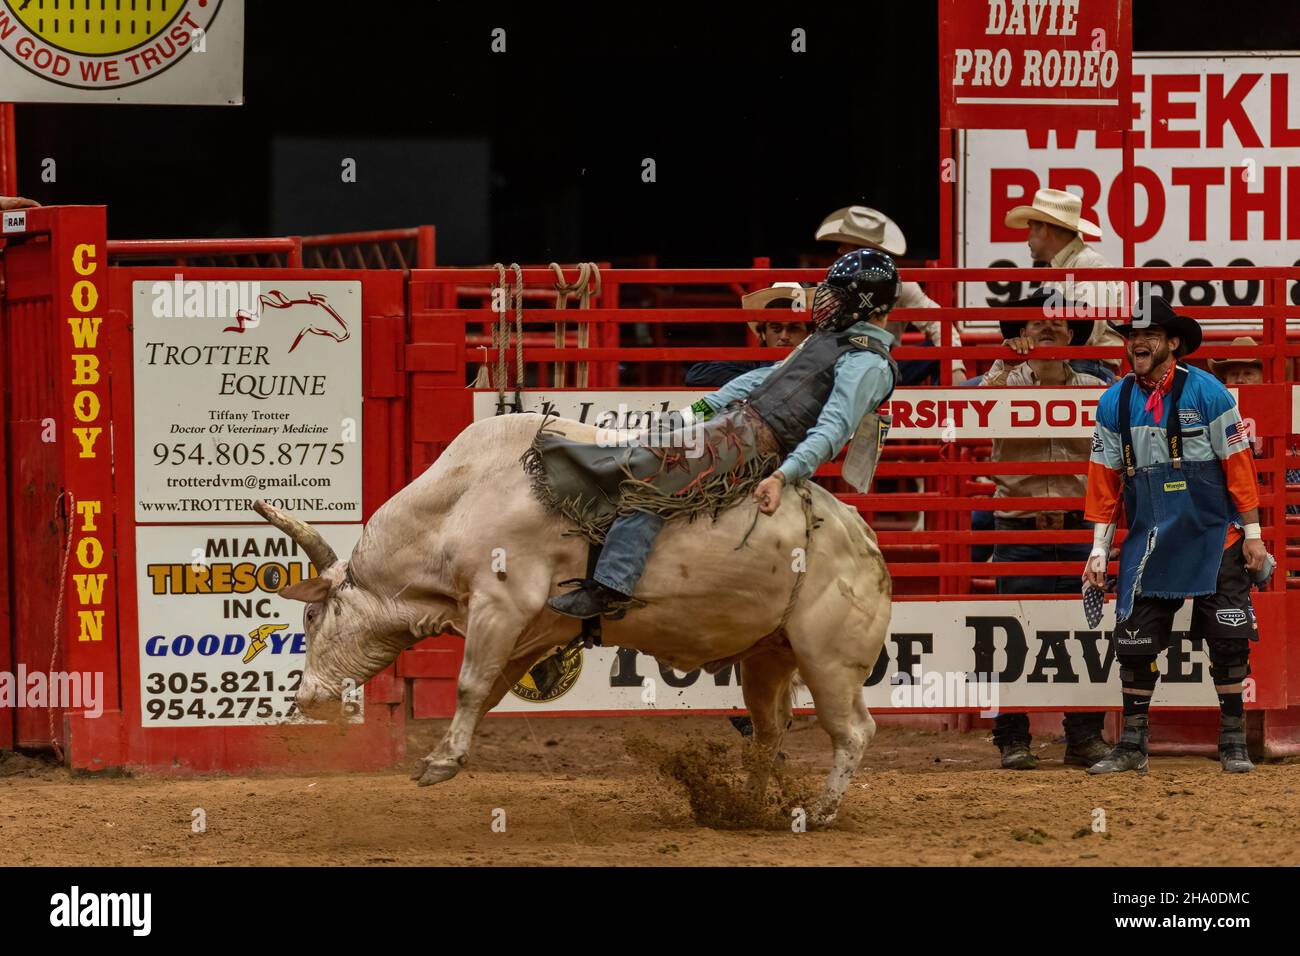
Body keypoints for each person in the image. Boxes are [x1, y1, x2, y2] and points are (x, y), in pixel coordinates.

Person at [542, 249, 902, 619]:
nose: (825, 303)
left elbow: (834, 427)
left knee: (650, 478)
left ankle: (611, 586)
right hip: (736, 425)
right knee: (650, 439)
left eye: (837, 295)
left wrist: (783, 475)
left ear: (862, 302)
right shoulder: (834, 341)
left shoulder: (867, 363)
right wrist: (691, 413)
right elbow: (760, 379)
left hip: (756, 445)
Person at [1082, 298, 1267, 775]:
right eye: (1130, 334)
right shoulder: (1114, 401)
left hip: (1214, 533)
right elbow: (1105, 480)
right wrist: (1098, 551)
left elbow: (1238, 466)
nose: (1136, 341)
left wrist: (1253, 534)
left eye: (1148, 333)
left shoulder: (1209, 393)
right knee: (1136, 641)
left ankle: (1233, 742)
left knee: (1229, 640)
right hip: (1150, 537)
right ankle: (1132, 744)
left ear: (1172, 342)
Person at [979, 290, 1110, 769]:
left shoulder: (1096, 388)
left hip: (1080, 526)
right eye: (1038, 322)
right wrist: (1000, 359)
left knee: (1086, 628)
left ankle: (1083, 736)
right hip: (1020, 524)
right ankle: (1012, 737)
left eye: (1058, 322)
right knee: (1014, 629)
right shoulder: (999, 380)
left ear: (1073, 333)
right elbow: (973, 416)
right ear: (1022, 334)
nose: (1050, 327)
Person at [816, 205, 966, 384]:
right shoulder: (831, 281)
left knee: (937, 349)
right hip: (843, 365)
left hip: (884, 366)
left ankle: (945, 402)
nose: (839, 251)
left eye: (844, 246)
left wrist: (954, 366)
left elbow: (937, 322)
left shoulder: (901, 283)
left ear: (858, 251)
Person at [1003, 188, 1123, 382]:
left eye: (1031, 228)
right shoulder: (1066, 267)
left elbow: (1087, 334)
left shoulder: (1089, 264)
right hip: (1066, 364)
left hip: (1086, 368)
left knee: (977, 390)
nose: (1028, 238)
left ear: (1044, 228)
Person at [1208, 338, 1299, 518]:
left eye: (1248, 373)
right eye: (1235, 374)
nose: (1240, 379)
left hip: (1275, 484)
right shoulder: (1214, 410)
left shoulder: (1279, 407)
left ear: (1263, 377)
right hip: (1230, 488)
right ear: (1225, 379)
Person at [685, 284, 814, 388]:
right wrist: (759, 379)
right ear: (763, 334)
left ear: (808, 333)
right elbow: (696, 375)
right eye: (776, 329)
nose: (784, 336)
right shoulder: (752, 363)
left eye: (794, 328)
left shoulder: (820, 363)